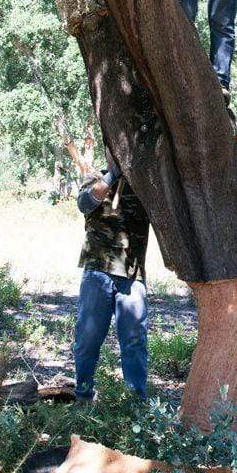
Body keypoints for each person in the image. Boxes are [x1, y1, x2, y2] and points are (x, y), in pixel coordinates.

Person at [73, 156, 150, 402]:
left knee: (135, 340)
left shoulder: (145, 184)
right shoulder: (95, 178)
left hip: (132, 276)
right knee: (87, 339)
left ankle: (135, 403)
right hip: (97, 272)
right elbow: (85, 204)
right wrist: (113, 174)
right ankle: (83, 396)